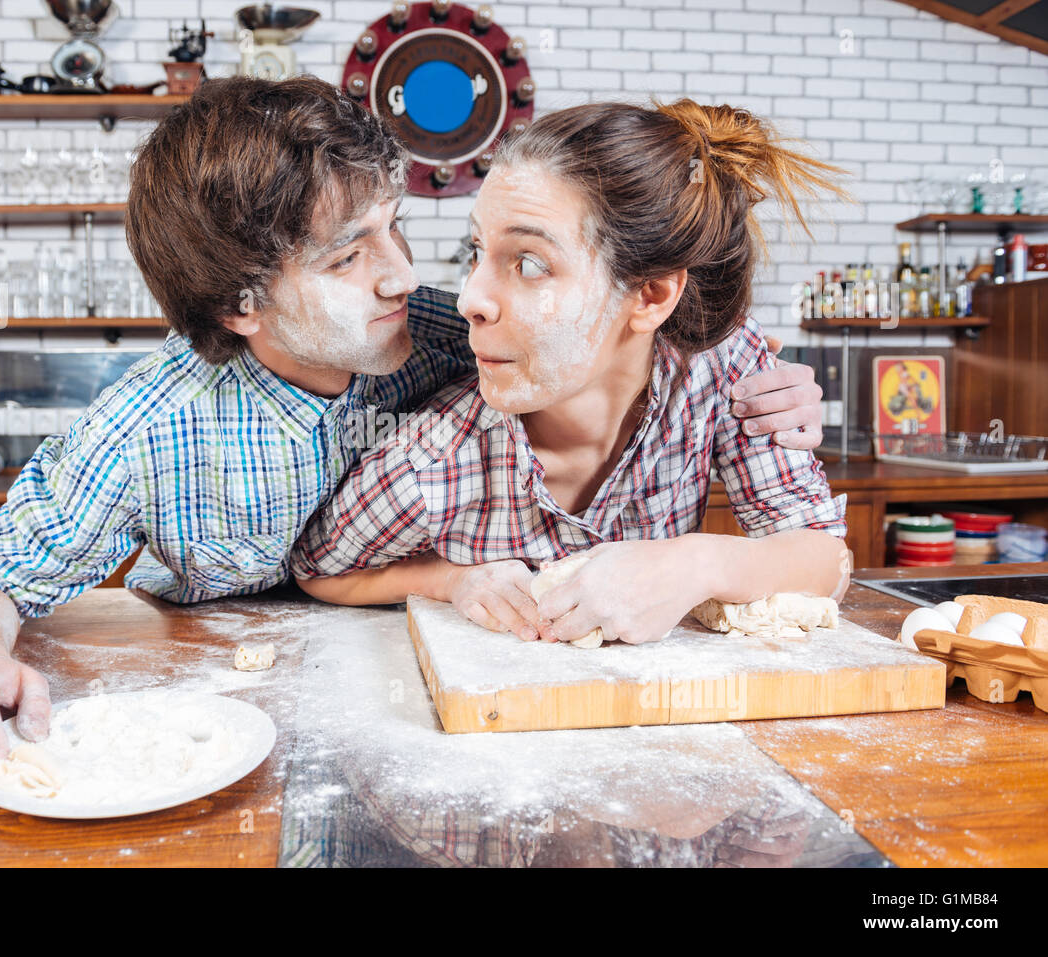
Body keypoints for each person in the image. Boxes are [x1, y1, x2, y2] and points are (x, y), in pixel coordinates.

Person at [0, 78, 824, 808]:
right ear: (241, 306)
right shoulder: (150, 429)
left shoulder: (450, 332)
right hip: (220, 706)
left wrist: (764, 383)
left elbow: (600, 321)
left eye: (395, 227)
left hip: (412, 690)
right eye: (349, 255)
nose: (404, 275)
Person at [292, 99, 852, 646]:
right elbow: (320, 570)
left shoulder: (722, 369)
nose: (469, 299)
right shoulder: (432, 462)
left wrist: (695, 563)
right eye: (477, 250)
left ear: (651, 296)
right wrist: (452, 579)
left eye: (529, 263)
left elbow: (827, 559)